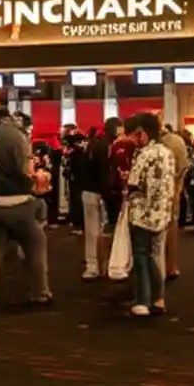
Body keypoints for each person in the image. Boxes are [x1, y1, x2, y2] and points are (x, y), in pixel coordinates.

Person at [0, 109, 52, 309]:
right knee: (36, 247)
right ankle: (40, 293)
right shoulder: (16, 139)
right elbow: (24, 173)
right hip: (18, 205)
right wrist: (38, 180)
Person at [126, 112, 174, 317]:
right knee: (155, 255)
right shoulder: (167, 153)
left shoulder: (144, 154)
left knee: (141, 255)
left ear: (142, 133)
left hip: (142, 212)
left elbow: (133, 182)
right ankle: (159, 299)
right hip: (162, 212)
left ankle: (143, 300)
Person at [79, 120, 114, 280]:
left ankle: (92, 266)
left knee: (92, 232)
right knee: (104, 232)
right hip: (99, 193)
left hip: (87, 191)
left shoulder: (91, 146)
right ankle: (104, 265)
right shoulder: (106, 148)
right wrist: (106, 193)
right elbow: (104, 174)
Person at [158, 125, 191, 280]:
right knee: (171, 226)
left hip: (156, 193)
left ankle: (159, 267)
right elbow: (184, 168)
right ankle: (171, 266)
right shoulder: (178, 141)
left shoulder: (153, 145)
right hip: (173, 192)